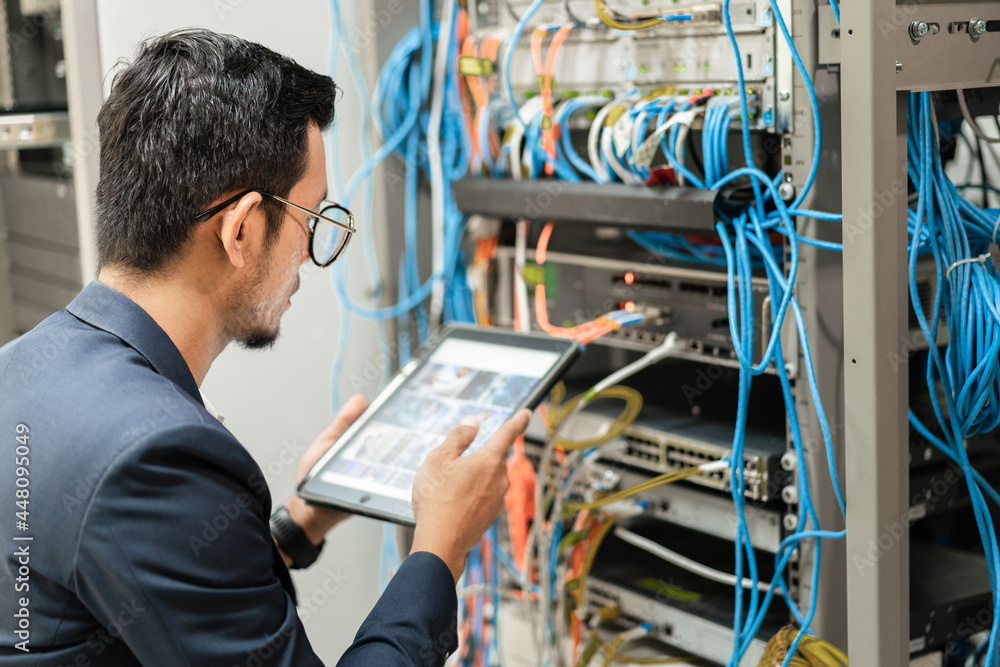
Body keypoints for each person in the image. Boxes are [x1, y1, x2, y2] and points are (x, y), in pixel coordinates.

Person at [0, 29, 529, 666]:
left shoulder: (23, 368)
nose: (310, 255)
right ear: (243, 229)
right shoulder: (154, 455)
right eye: (312, 221)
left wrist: (304, 520)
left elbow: (139, 594)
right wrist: (441, 549)